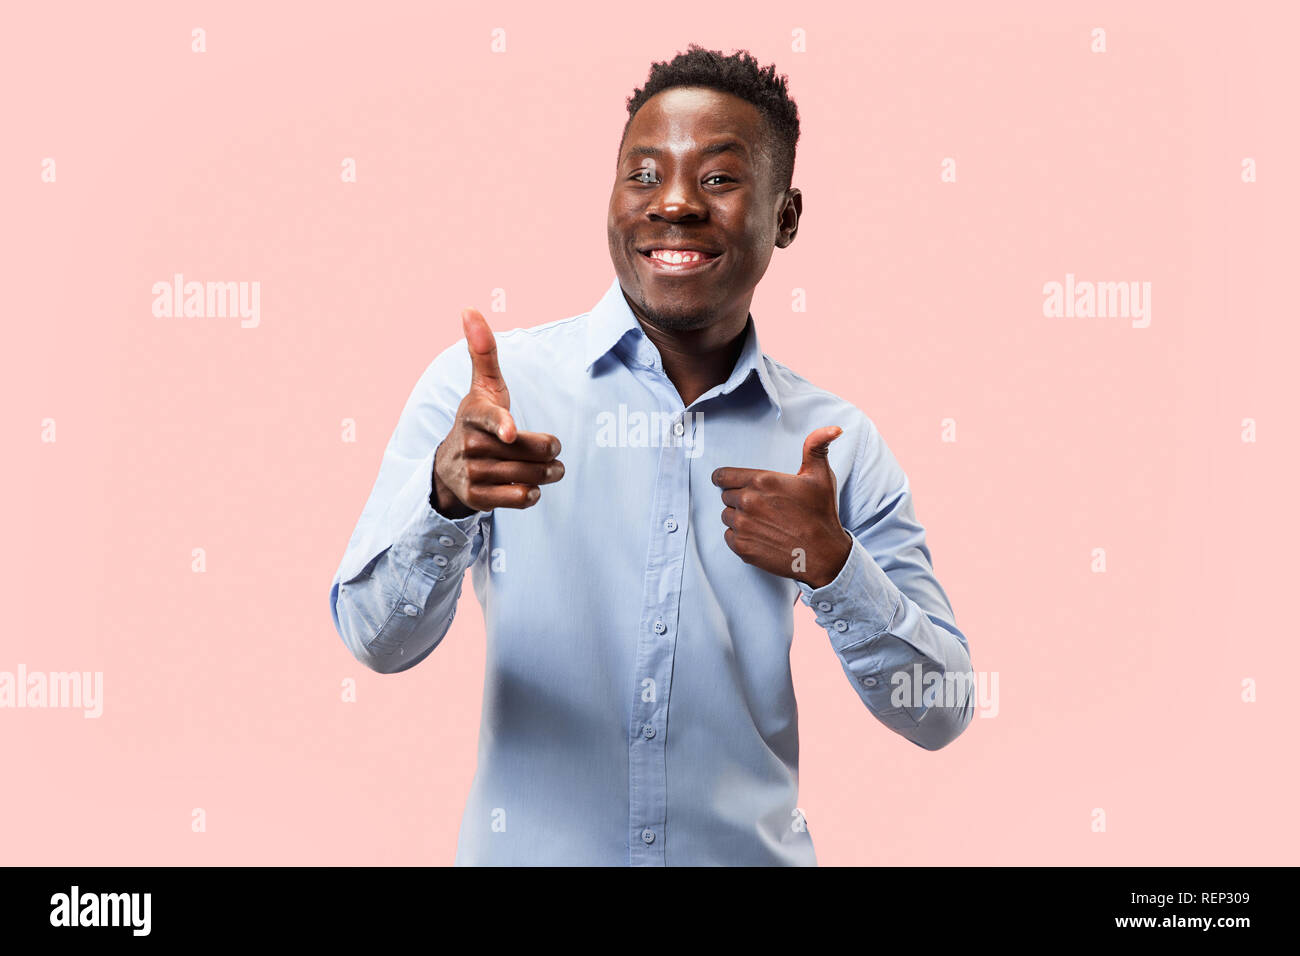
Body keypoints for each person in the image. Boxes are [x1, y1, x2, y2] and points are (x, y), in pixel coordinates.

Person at [329, 44, 975, 866]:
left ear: (786, 215)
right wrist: (444, 505)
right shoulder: (490, 398)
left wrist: (836, 566)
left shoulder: (836, 443)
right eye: (643, 174)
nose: (673, 205)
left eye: (718, 178)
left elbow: (944, 709)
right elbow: (374, 642)